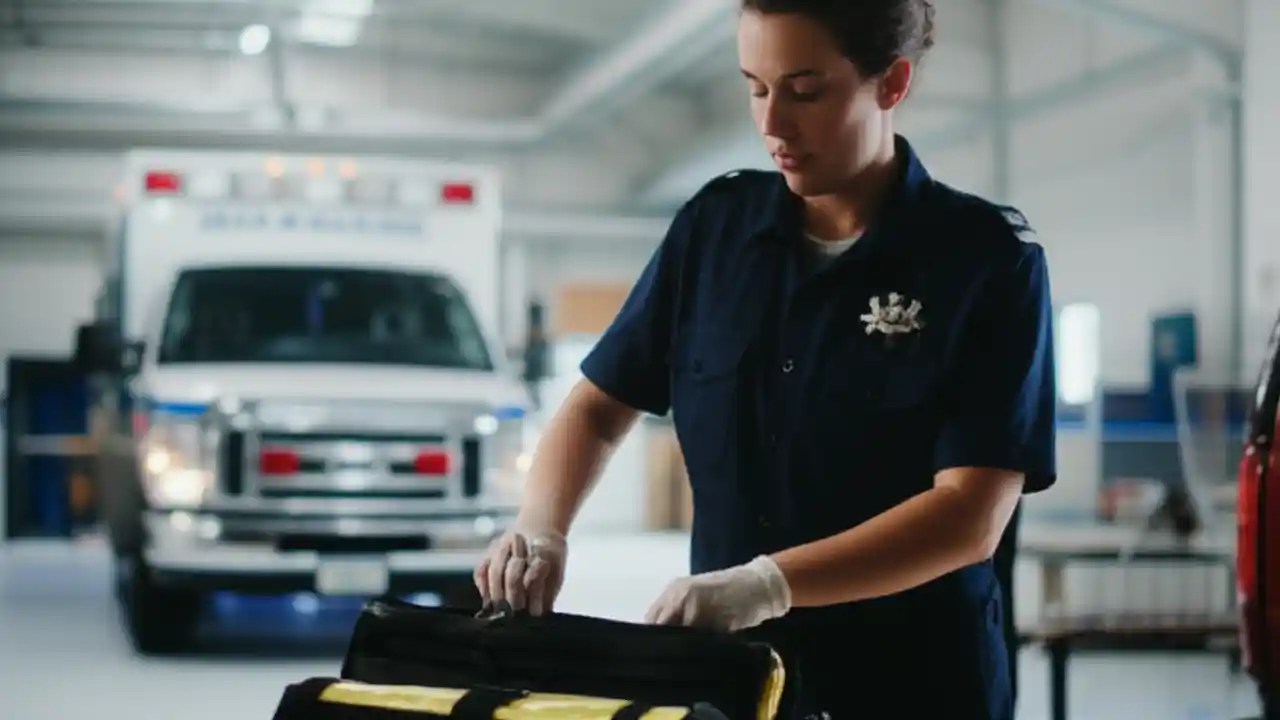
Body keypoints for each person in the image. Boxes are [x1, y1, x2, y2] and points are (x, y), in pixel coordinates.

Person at [474, 1, 1056, 718]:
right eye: (756, 87)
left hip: (915, 684)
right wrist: (541, 525)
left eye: (806, 91)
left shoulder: (986, 263)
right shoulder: (713, 234)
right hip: (734, 686)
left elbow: (969, 515)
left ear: (892, 83)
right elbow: (598, 406)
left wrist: (767, 584)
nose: (773, 124)